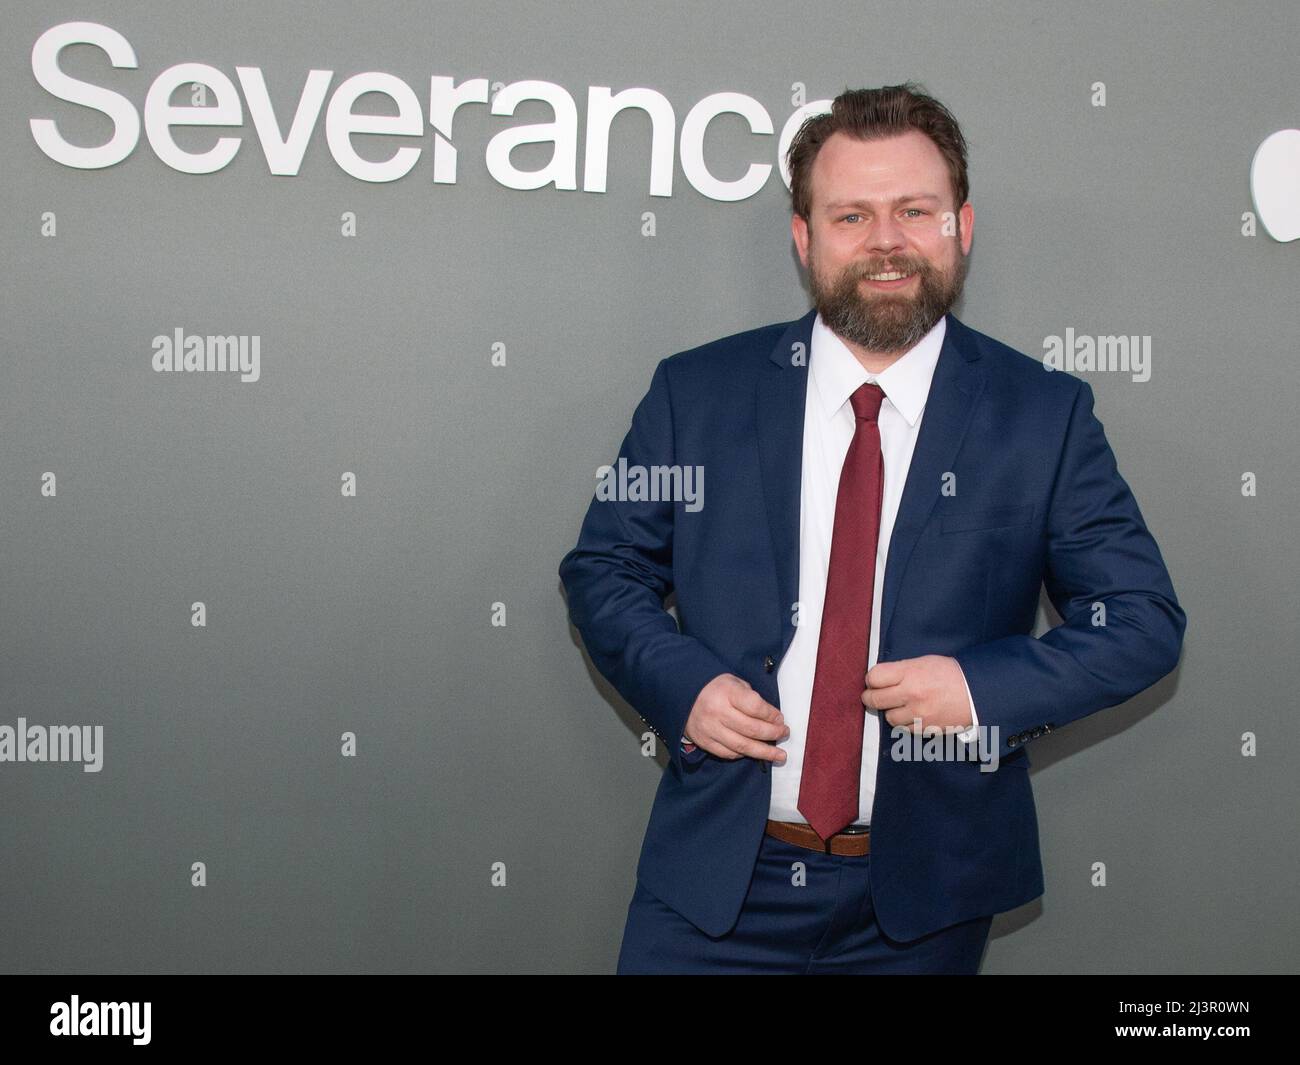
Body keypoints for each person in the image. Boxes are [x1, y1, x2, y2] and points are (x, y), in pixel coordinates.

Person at [557, 83, 1186, 974]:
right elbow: (604, 569)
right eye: (852, 215)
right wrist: (685, 686)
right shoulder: (697, 394)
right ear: (805, 238)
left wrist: (975, 689)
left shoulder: (1043, 416)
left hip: (924, 905)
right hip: (714, 884)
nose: (886, 241)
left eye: (913, 210)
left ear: (960, 227)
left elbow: (1142, 622)